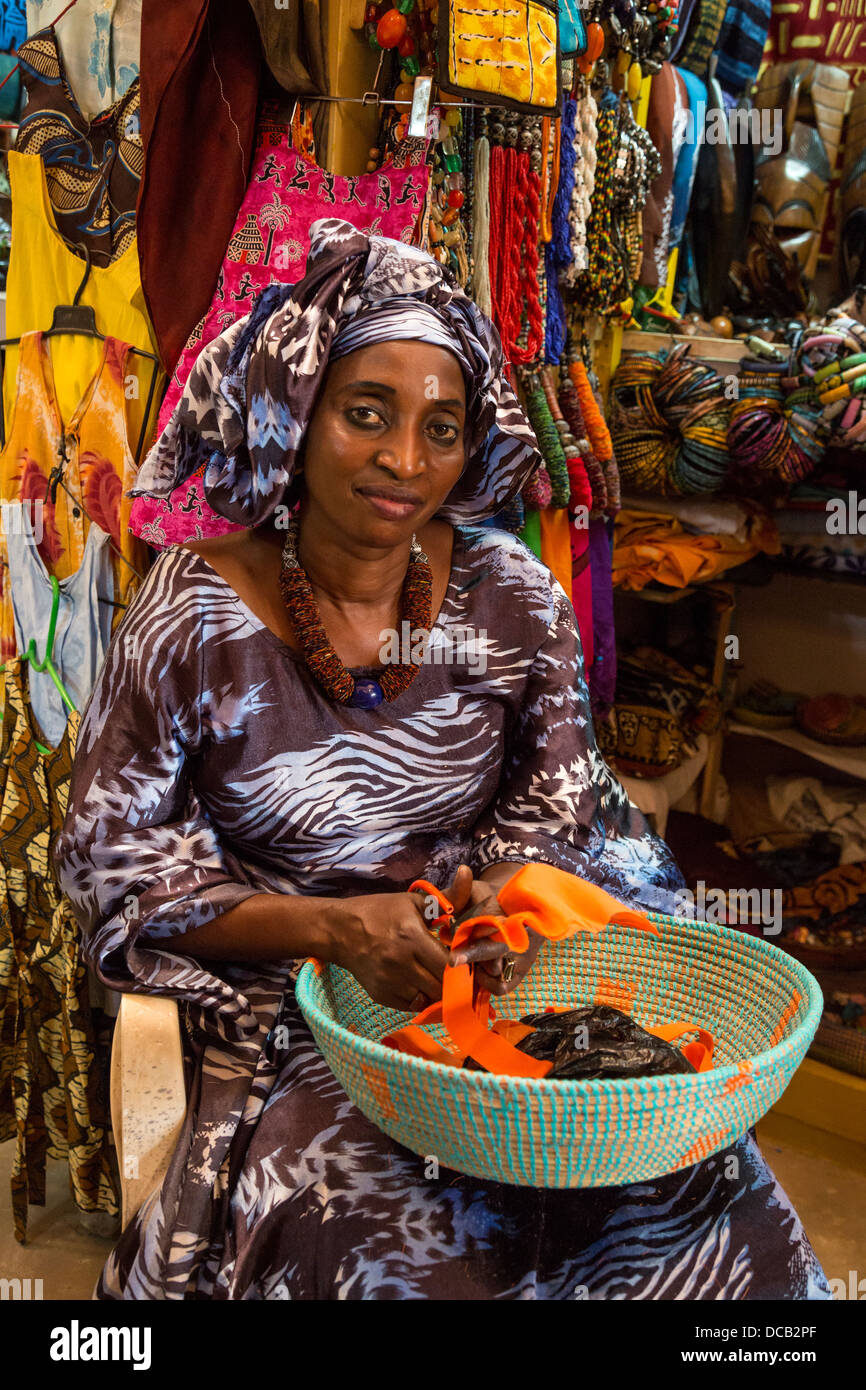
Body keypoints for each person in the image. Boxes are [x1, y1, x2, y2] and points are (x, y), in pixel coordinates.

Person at [55, 219, 829, 1300]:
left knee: (705, 1196)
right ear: (298, 411)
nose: (402, 461)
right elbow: (119, 876)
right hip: (301, 1022)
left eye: (441, 427)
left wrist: (496, 892)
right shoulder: (189, 615)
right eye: (365, 413)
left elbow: (560, 809)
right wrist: (332, 926)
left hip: (495, 985)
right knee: (396, 1236)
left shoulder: (510, 596)